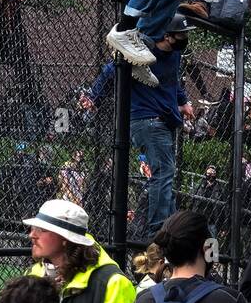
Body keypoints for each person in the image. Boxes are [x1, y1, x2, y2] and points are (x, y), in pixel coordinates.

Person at [82, 15, 195, 237]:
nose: (185, 38)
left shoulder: (175, 54)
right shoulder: (141, 53)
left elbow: (173, 80)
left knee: (166, 173)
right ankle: (158, 229)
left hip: (165, 119)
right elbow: (110, 70)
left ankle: (170, 226)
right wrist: (93, 96)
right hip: (147, 120)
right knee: (163, 173)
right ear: (167, 36)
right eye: (181, 34)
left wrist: (183, 101)